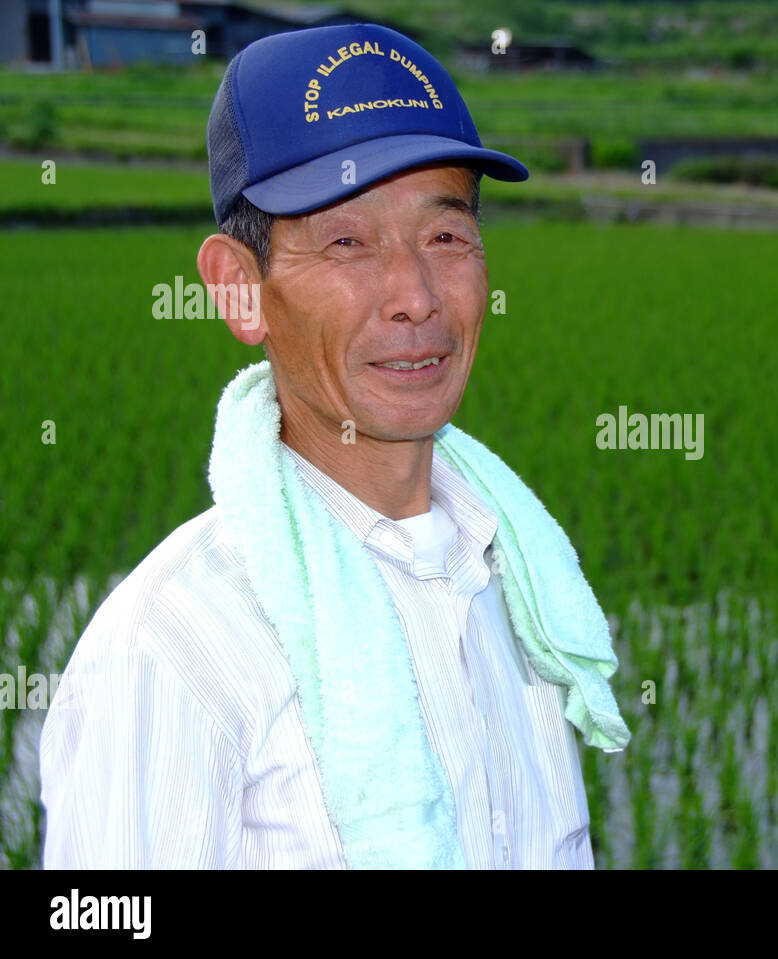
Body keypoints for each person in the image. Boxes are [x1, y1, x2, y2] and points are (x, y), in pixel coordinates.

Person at [39, 22, 630, 869]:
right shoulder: (169, 650)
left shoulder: (524, 584)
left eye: (446, 235)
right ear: (241, 290)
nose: (415, 296)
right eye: (348, 242)